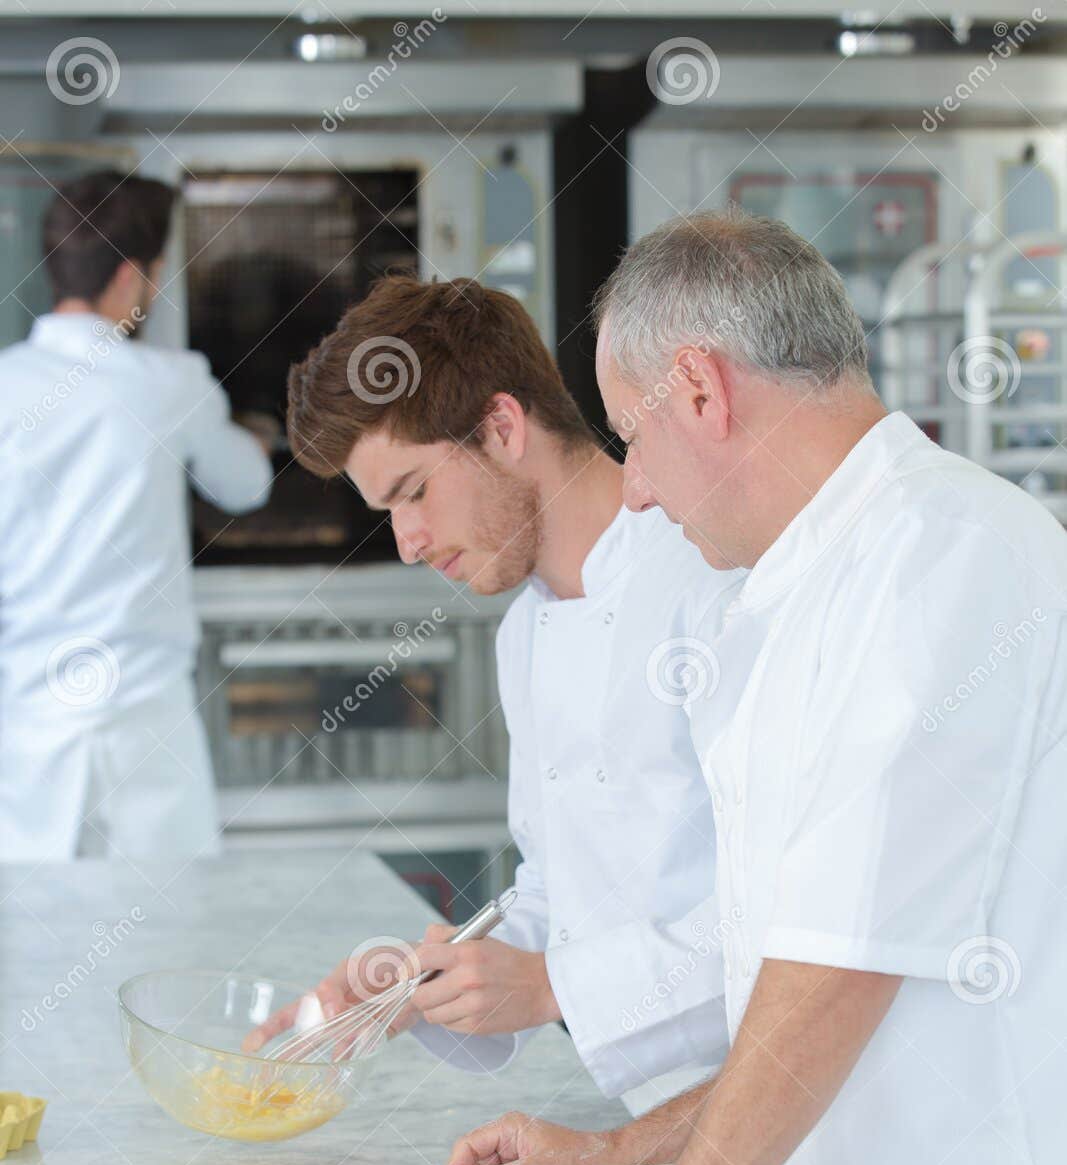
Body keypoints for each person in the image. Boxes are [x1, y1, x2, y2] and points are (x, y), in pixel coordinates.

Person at [434, 210, 1067, 1165]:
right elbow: (784, 974)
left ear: (701, 390)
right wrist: (619, 1154)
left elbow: (835, 977)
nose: (642, 488)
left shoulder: (938, 559)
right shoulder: (803, 586)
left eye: (633, 441)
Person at [248, 274, 743, 1113]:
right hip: (647, 1118)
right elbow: (560, 891)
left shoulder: (710, 580)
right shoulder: (526, 633)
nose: (406, 543)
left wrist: (554, 988)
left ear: (503, 427)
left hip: (774, 1114)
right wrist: (413, 985)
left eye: (411, 493)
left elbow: (789, 919)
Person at [0, 171, 272, 860]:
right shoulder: (169, 384)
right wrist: (253, 437)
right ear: (129, 278)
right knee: (162, 941)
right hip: (145, 727)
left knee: (35, 949)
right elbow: (245, 486)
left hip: (31, 723)